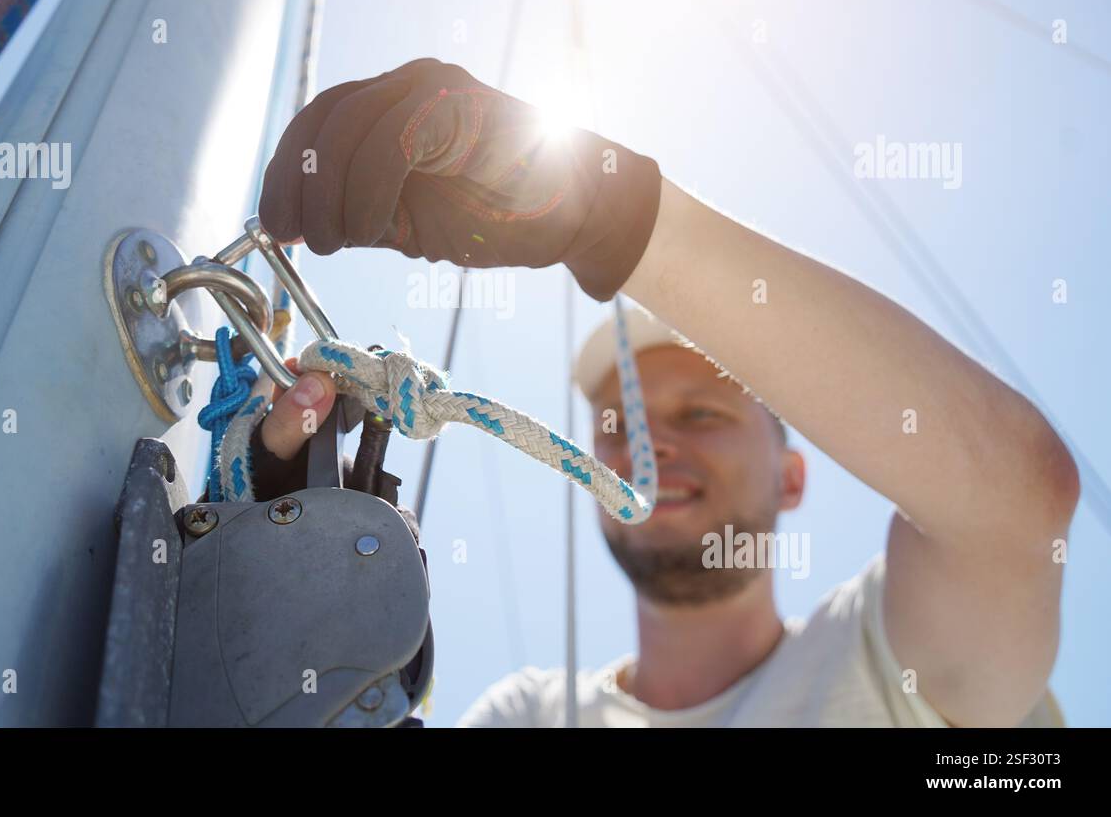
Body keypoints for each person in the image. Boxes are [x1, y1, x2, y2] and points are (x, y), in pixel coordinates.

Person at [250, 58, 1078, 727]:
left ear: (793, 477)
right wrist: (282, 551)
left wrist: (611, 216)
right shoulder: (533, 714)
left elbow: (1017, 508)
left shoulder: (888, 663)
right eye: (616, 423)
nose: (652, 444)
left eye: (704, 413)